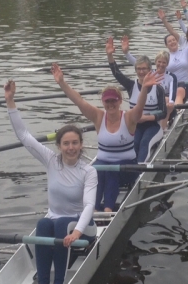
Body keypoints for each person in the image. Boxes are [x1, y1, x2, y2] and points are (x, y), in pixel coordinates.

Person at [4, 81, 98, 284]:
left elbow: (89, 205)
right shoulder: (50, 161)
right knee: (43, 224)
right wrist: (10, 101)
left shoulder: (89, 171)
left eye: (75, 143)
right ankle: (43, 283)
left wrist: (77, 232)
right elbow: (24, 136)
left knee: (61, 224)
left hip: (84, 228)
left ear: (81, 145)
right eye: (66, 143)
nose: (71, 147)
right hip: (58, 223)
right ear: (59, 146)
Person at [51, 63, 162, 212]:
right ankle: (94, 209)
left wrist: (144, 89)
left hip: (128, 169)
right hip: (104, 167)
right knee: (93, 172)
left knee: (108, 171)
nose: (110, 104)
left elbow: (140, 107)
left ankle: (108, 210)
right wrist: (62, 83)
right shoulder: (98, 116)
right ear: (103, 102)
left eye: (113, 101)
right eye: (107, 101)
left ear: (119, 101)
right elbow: (79, 101)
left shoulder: (129, 118)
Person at [105, 37, 167, 162]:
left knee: (144, 143)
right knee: (133, 144)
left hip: (154, 126)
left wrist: (146, 118)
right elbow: (116, 73)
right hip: (135, 126)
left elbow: (164, 112)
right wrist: (110, 55)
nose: (141, 71)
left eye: (144, 69)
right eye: (138, 69)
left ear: (150, 70)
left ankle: (140, 173)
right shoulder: (131, 86)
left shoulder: (158, 89)